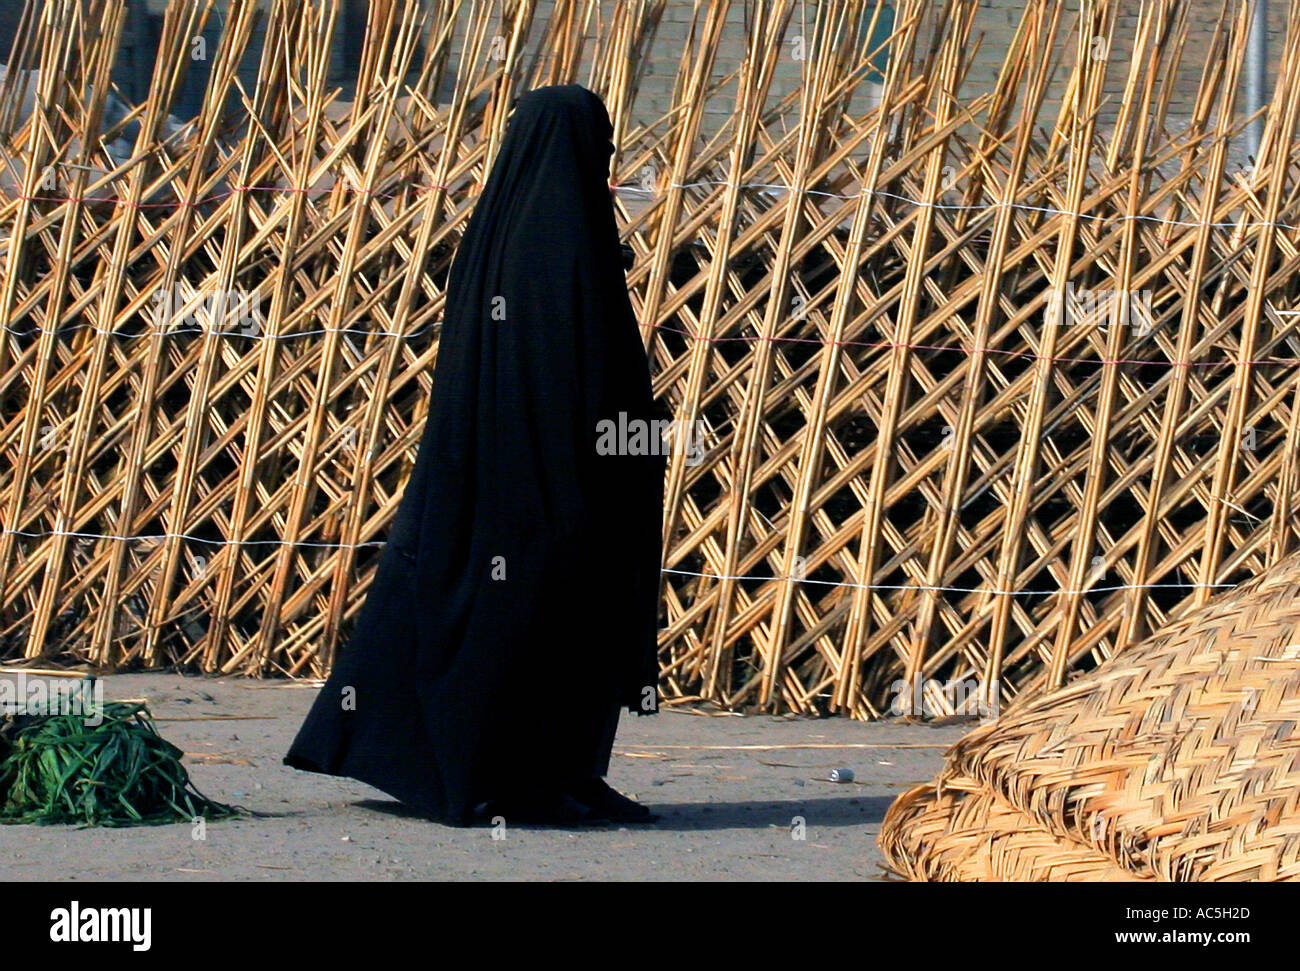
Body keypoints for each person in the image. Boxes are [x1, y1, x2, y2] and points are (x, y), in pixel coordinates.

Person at [284, 84, 664, 827]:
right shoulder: (546, 245)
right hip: (539, 484)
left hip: (525, 477)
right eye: (600, 149)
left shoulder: (515, 234)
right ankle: (514, 778)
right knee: (531, 619)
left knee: (564, 619)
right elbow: (563, 371)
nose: (606, 164)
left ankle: (567, 772)